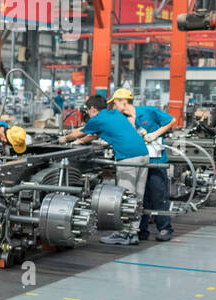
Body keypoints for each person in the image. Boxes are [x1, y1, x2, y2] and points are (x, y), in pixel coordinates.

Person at [60, 91, 150, 245]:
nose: (89, 114)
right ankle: (133, 233)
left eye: (88, 111)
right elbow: (95, 134)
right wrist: (81, 142)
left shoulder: (98, 119)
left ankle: (123, 234)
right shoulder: (114, 113)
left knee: (126, 196)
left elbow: (78, 133)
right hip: (143, 154)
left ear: (93, 109)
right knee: (137, 197)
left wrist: (64, 138)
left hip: (128, 157)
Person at [112, 87, 175, 242]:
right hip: (138, 162)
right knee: (140, 198)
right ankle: (141, 229)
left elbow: (171, 120)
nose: (114, 107)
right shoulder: (123, 120)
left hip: (155, 162)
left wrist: (155, 134)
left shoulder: (147, 111)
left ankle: (165, 229)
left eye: (115, 103)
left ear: (123, 101)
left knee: (158, 195)